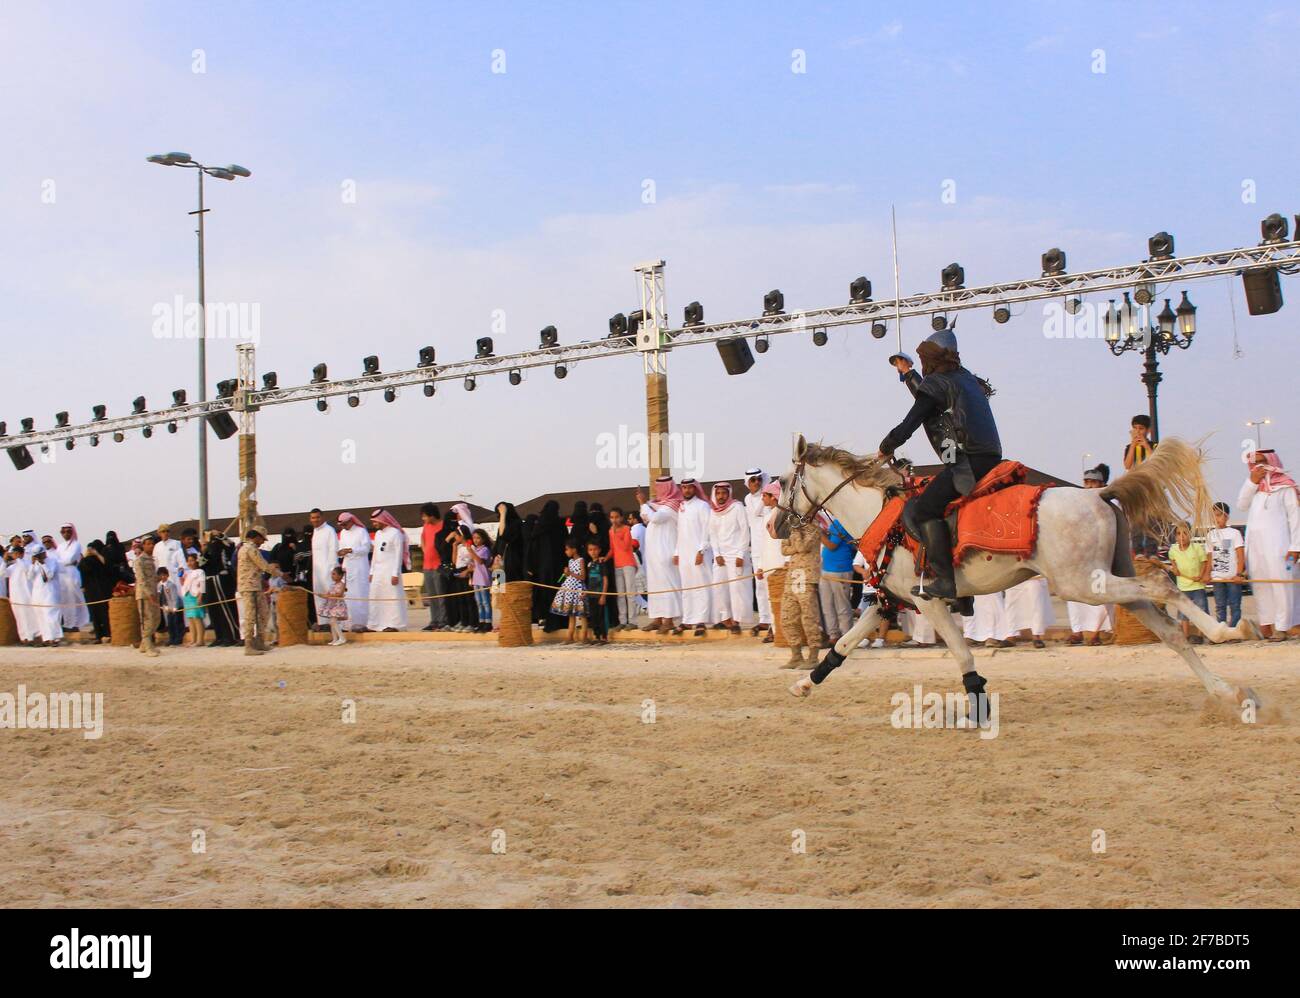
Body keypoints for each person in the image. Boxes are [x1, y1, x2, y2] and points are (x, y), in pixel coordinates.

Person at [880, 325, 1001, 608]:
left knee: (923, 510)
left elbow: (914, 418)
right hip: (988, 458)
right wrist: (908, 374)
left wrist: (887, 447)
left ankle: (946, 580)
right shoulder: (967, 379)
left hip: (964, 462)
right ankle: (964, 594)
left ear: (932, 359)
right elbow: (931, 402)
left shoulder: (939, 383)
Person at [1236, 449, 1300, 641]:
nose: (1259, 467)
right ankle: (1267, 626)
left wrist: (1296, 547)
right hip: (1256, 549)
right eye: (1255, 463)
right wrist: (1252, 482)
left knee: (1282, 585)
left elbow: (1295, 519)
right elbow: (1241, 505)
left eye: (1262, 462)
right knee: (1261, 585)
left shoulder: (1286, 488)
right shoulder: (1253, 488)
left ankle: (1283, 627)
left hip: (1281, 548)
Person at [1066, 465, 1114, 644]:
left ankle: (1095, 633)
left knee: (1101, 594)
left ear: (1101, 484)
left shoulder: (1108, 504)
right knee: (1074, 594)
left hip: (1100, 555)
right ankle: (1077, 631)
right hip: (1079, 555)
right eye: (1086, 482)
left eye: (1093, 482)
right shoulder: (1077, 503)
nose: (1089, 486)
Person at [637, 478, 683, 634]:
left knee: (667, 586)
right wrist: (645, 504)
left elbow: (655, 517)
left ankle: (669, 620)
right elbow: (645, 517)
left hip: (666, 551)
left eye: (660, 487)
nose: (658, 490)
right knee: (655, 586)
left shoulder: (673, 505)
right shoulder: (656, 504)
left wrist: (644, 503)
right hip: (654, 553)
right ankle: (657, 619)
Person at [706, 482, 753, 635]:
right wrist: (717, 554)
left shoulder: (737, 507)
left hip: (736, 555)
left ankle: (736, 621)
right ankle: (725, 619)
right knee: (719, 587)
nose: (721, 496)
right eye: (718, 493)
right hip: (721, 557)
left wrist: (741, 554)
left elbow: (745, 530)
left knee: (736, 589)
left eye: (724, 493)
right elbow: (712, 534)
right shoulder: (713, 511)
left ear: (728, 494)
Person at [778, 511, 823, 668]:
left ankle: (813, 656)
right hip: (793, 575)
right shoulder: (791, 527)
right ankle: (796, 655)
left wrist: (796, 532)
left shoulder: (814, 527)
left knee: (809, 617)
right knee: (787, 616)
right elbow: (783, 549)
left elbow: (802, 547)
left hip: (807, 575)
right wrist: (795, 545)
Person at [674, 478, 714, 636]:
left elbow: (707, 529)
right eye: (683, 488)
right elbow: (680, 532)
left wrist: (701, 550)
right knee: (687, 587)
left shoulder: (702, 506)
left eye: (689, 488)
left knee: (701, 587)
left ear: (695, 489)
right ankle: (687, 620)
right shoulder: (681, 507)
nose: (686, 491)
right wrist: (677, 552)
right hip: (684, 554)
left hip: (699, 554)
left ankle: (701, 621)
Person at [753, 481, 787, 644]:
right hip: (767, 564)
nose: (762, 499)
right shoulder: (767, 516)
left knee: (782, 600)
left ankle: (781, 632)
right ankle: (774, 630)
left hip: (780, 564)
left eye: (764, 496)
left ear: (773, 497)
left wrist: (787, 562)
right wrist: (760, 565)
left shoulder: (783, 515)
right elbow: (762, 543)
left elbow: (786, 541)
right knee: (770, 599)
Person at [1165, 520, 1209, 643]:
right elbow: (1172, 559)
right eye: (1179, 534)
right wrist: (1174, 568)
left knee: (1200, 610)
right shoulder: (1174, 549)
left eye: (1185, 533)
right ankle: (1186, 635)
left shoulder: (1197, 548)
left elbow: (1204, 562)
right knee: (1184, 612)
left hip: (1197, 585)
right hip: (1183, 586)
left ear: (1190, 534)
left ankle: (1200, 635)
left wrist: (1200, 575)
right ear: (1175, 536)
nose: (1182, 537)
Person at [1205, 500, 1246, 629]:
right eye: (1213, 516)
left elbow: (1240, 555)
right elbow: (1209, 557)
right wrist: (1206, 574)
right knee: (1220, 606)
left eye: (1219, 515)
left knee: (1234, 605)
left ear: (1226, 516)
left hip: (1232, 577)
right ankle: (1221, 631)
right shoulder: (1210, 535)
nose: (1216, 519)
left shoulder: (1234, 533)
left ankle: (1234, 631)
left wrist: (1239, 574)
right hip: (1217, 578)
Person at [368, 509, 410, 632]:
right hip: (378, 572)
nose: (374, 524)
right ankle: (375, 624)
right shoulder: (378, 534)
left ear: (382, 520)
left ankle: (395, 625)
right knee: (376, 597)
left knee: (392, 597)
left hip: (391, 571)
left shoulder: (395, 533)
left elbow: (398, 555)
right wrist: (371, 572)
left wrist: (395, 573)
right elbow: (375, 554)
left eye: (375, 521)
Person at [743, 469, 773, 636]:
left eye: (759, 479)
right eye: (753, 480)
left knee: (771, 585)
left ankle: (774, 623)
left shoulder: (769, 497)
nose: (756, 483)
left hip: (769, 547)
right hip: (756, 548)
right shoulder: (748, 498)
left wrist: (767, 490)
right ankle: (764, 619)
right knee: (760, 587)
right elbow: (755, 513)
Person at [817, 517, 856, 645]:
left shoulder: (843, 522)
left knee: (842, 605)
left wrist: (818, 532)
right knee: (827, 605)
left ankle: (846, 636)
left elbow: (832, 545)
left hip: (840, 568)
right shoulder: (835, 523)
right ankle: (833, 635)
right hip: (827, 568)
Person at [236, 528, 274, 655]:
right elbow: (263, 565)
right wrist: (279, 573)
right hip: (249, 587)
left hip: (255, 586)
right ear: (256, 537)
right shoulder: (250, 549)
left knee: (262, 613)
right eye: (262, 539)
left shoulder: (246, 548)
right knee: (250, 616)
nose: (262, 542)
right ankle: (249, 645)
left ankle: (259, 642)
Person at [336, 512, 372, 632]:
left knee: (360, 594)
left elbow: (366, 548)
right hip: (348, 567)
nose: (344, 526)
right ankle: (349, 623)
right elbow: (340, 548)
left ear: (351, 521)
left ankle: (362, 622)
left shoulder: (361, 531)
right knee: (348, 595)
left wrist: (352, 550)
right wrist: (341, 552)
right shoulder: (343, 533)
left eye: (345, 524)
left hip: (360, 567)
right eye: (342, 525)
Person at [203, 530, 239, 647]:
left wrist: (221, 536)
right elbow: (202, 563)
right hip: (209, 579)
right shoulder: (207, 547)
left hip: (222, 578)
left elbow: (231, 545)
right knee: (213, 609)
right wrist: (205, 548)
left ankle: (231, 636)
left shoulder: (222, 544)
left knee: (225, 607)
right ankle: (219, 636)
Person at [607, 507, 640, 630]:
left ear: (621, 517)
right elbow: (612, 549)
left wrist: (616, 533)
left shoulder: (627, 529)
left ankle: (633, 621)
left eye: (616, 517)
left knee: (630, 593)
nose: (614, 520)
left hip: (628, 563)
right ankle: (622, 620)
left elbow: (626, 547)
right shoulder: (610, 531)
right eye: (612, 517)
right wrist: (605, 558)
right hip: (617, 564)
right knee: (620, 594)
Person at [550, 539, 586, 643]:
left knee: (581, 614)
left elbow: (583, 577)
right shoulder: (570, 561)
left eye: (567, 549)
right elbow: (569, 575)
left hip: (578, 589)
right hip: (570, 589)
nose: (566, 552)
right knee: (571, 614)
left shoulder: (581, 560)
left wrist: (570, 573)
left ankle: (584, 637)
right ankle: (570, 637)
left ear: (574, 550)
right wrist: (566, 574)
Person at [55, 523, 89, 632]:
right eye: (63, 532)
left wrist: (62, 561)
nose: (65, 534)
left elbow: (70, 558)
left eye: (68, 531)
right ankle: (67, 623)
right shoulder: (60, 546)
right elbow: (57, 560)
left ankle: (75, 623)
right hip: (61, 574)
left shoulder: (76, 544)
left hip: (71, 572)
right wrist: (62, 561)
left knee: (74, 598)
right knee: (64, 600)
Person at [79, 540, 114, 642]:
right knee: (95, 613)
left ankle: (108, 634)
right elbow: (82, 571)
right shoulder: (86, 561)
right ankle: (99, 635)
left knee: (104, 612)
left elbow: (106, 565)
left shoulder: (101, 558)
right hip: (92, 591)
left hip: (102, 590)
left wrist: (97, 554)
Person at [309, 508, 339, 628]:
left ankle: (336, 624)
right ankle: (323, 623)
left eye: (317, 517)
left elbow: (333, 550)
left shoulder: (329, 531)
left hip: (328, 570)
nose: (315, 520)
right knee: (319, 595)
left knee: (331, 596)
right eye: (313, 518)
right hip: (317, 571)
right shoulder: (315, 532)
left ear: (322, 517)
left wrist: (332, 569)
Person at [419, 503, 447, 631]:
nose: (423, 519)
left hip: (439, 565)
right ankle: (434, 620)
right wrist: (425, 551)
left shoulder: (443, 525)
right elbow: (423, 539)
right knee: (431, 595)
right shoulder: (426, 526)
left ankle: (443, 620)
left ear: (431, 515)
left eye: (425, 516)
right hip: (427, 565)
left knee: (441, 594)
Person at [1004, 576, 1054, 648]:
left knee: (1036, 603)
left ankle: (1036, 636)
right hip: (1014, 575)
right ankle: (1011, 635)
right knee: (1010, 603)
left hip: (1033, 575)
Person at [29, 547, 64, 647]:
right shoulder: (34, 564)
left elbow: (49, 575)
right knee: (40, 616)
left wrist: (43, 564)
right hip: (38, 593)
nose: (38, 557)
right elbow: (29, 577)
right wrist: (32, 564)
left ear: (44, 553)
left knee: (51, 615)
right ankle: (46, 638)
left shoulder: (52, 561)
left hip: (50, 592)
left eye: (39, 555)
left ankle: (55, 638)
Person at [134, 534, 161, 657]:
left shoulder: (151, 560)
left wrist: (159, 578)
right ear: (143, 545)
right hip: (144, 595)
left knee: (156, 619)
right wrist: (149, 594)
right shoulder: (140, 560)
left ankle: (144, 644)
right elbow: (141, 579)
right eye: (148, 544)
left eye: (152, 543)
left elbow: (152, 577)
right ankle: (148, 645)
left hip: (153, 593)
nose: (151, 546)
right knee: (147, 620)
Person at [465, 528, 495, 632]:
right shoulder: (476, 550)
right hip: (476, 579)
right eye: (474, 538)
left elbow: (480, 561)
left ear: (483, 538)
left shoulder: (484, 549)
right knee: (479, 602)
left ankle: (488, 622)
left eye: (478, 538)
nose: (476, 540)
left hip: (483, 578)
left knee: (486, 602)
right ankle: (481, 621)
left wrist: (471, 551)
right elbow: (474, 564)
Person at [584, 538, 611, 643]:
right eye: (590, 550)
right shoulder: (589, 565)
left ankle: (604, 636)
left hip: (600, 594)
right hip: (591, 595)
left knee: (601, 616)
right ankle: (596, 636)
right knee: (593, 616)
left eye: (595, 549)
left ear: (599, 550)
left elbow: (605, 579)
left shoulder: (602, 563)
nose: (593, 552)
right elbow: (588, 580)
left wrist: (603, 595)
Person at [181, 551, 206, 647]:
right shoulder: (188, 573)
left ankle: (200, 640)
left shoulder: (200, 571)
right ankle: (193, 639)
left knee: (197, 618)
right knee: (190, 619)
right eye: (188, 561)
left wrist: (200, 596)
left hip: (195, 595)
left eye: (192, 560)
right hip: (188, 596)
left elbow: (202, 584)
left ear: (196, 561)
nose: (190, 563)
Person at [320, 565, 350, 645]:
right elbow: (328, 593)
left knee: (333, 621)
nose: (332, 576)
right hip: (332, 605)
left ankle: (342, 638)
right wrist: (323, 595)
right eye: (332, 574)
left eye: (334, 574)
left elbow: (340, 594)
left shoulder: (342, 584)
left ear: (340, 575)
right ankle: (335, 639)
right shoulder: (332, 585)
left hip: (338, 605)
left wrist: (328, 596)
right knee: (332, 622)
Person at [156, 567, 185, 646]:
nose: (163, 577)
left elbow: (174, 597)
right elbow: (160, 597)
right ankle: (172, 638)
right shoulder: (159, 585)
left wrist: (174, 608)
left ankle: (178, 639)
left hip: (176, 606)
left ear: (167, 575)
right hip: (167, 607)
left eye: (164, 575)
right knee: (170, 623)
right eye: (161, 575)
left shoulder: (171, 585)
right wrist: (164, 607)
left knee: (177, 623)